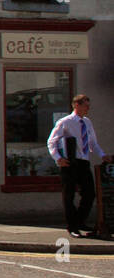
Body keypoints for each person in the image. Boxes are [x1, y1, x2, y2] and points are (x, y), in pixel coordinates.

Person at [48, 94, 108, 237]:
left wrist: (103, 155)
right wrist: (58, 158)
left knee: (89, 194)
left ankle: (79, 221)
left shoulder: (87, 122)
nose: (88, 108)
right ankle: (72, 226)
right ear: (76, 105)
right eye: (85, 105)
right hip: (69, 162)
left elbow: (93, 142)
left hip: (83, 161)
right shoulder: (65, 122)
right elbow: (52, 141)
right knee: (68, 195)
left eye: (88, 105)